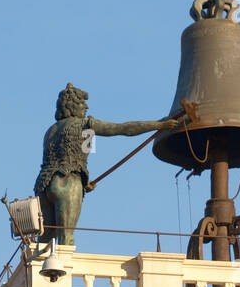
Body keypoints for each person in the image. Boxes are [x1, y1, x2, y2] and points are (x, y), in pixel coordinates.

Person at [35, 83, 178, 245]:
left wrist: (84, 181)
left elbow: (75, 156)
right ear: (73, 105)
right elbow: (124, 129)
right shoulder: (86, 125)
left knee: (44, 244)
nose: (86, 106)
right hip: (68, 182)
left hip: (44, 186)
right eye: (83, 102)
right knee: (66, 239)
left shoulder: (51, 131)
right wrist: (159, 125)